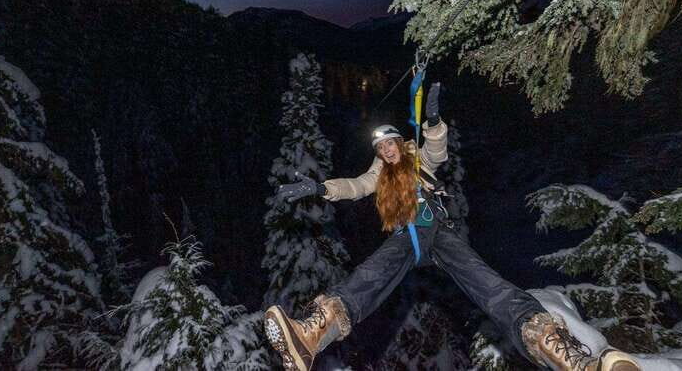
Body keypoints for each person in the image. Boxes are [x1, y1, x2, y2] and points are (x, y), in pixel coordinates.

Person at [264, 83, 641, 371]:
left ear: (399, 142)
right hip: (408, 236)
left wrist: (431, 123)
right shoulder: (379, 171)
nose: (386, 151)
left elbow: (436, 150)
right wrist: (320, 188)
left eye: (390, 144)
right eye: (380, 149)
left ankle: (564, 353)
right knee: (371, 273)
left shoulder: (417, 161)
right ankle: (312, 334)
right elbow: (356, 186)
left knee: (488, 284)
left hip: (438, 232)